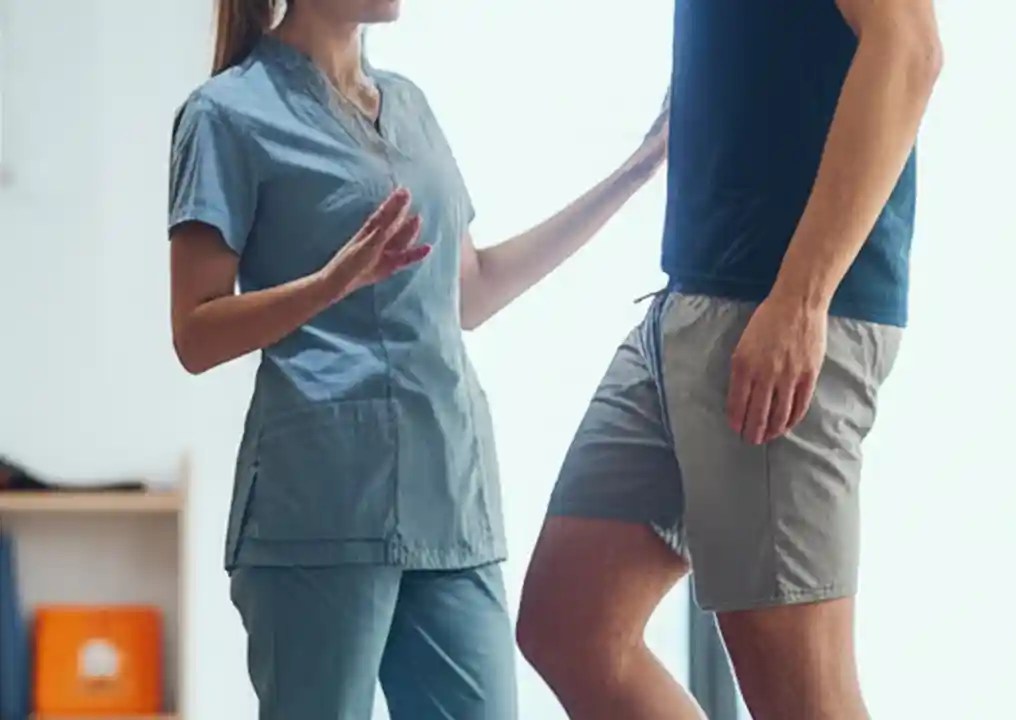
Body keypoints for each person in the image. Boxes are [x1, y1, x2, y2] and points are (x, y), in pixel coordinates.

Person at [166, 1, 667, 718]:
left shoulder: (410, 105)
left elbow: (472, 291)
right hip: (319, 508)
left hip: (451, 498)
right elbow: (195, 333)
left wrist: (635, 172)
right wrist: (329, 283)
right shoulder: (225, 114)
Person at [517, 0, 942, 718]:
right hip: (690, 296)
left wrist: (802, 299)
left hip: (779, 308)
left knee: (802, 695)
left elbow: (910, 52)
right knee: (572, 625)